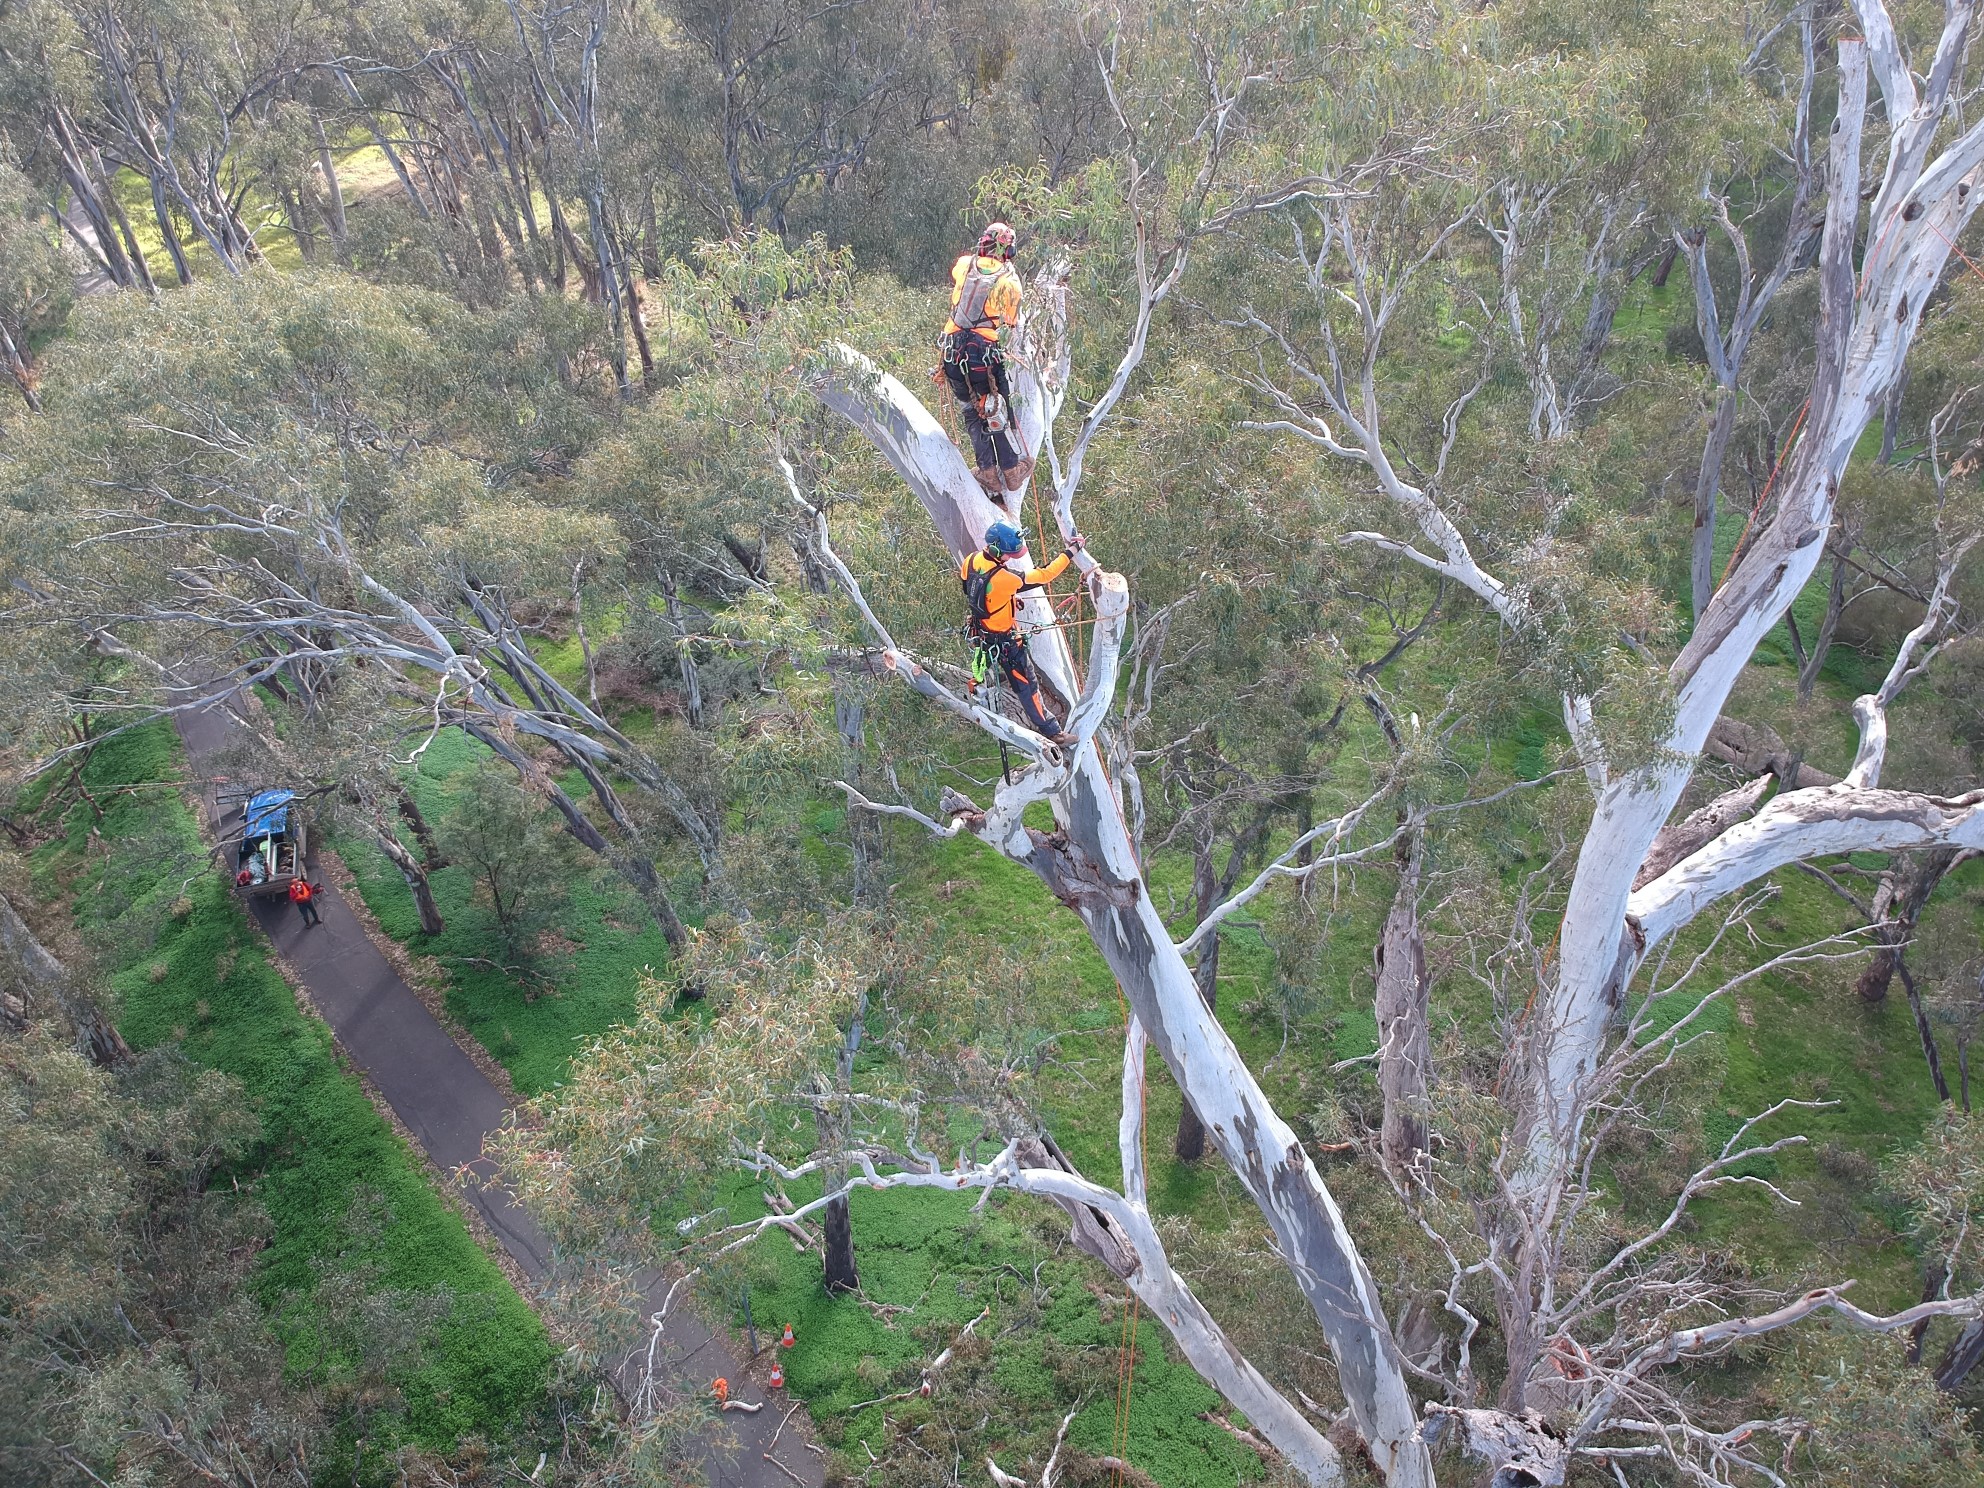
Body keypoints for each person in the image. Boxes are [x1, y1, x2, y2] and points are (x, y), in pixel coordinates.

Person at [961, 520, 1085, 745]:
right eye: (1009, 554)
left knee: (982, 671)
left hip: (982, 633)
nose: (1010, 558)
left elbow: (971, 590)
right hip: (1006, 642)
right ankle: (1053, 733)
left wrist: (1006, 598)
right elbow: (1046, 574)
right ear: (998, 550)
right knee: (1028, 686)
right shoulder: (1005, 578)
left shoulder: (970, 561)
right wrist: (1073, 550)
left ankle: (977, 686)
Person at [941, 222, 1035, 496]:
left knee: (971, 411)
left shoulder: (964, 264)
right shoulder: (1010, 281)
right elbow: (1011, 321)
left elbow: (957, 278)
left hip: (952, 350)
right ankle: (1010, 470)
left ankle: (987, 471)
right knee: (994, 408)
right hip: (984, 354)